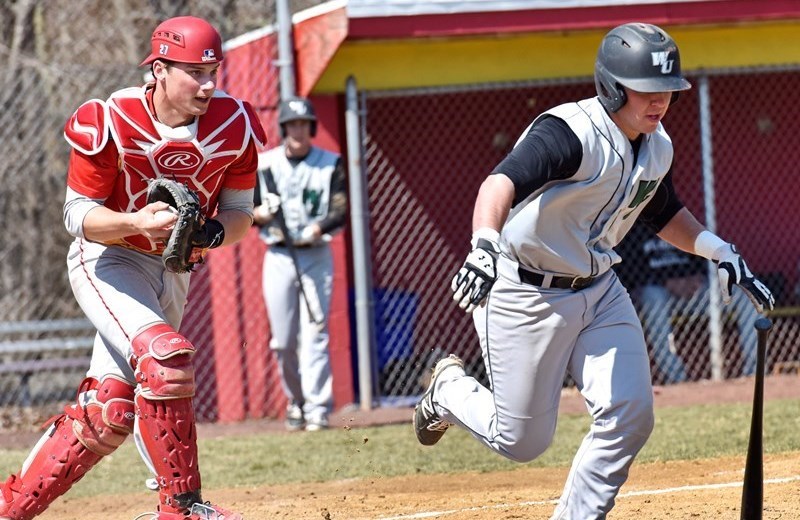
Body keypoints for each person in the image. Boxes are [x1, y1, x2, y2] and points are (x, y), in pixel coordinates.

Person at [413, 22, 774, 519]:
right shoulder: (570, 132)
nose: (660, 101)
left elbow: (662, 211)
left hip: (601, 290)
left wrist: (719, 250)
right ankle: (448, 388)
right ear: (612, 85)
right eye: (646, 89)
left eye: (668, 89)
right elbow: (498, 184)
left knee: (631, 414)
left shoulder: (656, 144)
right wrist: (483, 244)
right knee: (521, 441)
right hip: (527, 291)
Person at [0, 16, 266, 520]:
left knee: (108, 412)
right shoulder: (112, 118)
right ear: (159, 69)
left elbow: (240, 216)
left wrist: (210, 232)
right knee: (165, 361)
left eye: (214, 73)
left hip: (174, 270)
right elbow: (77, 216)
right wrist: (134, 220)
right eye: (194, 73)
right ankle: (182, 508)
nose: (209, 85)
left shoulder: (235, 124)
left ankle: (8, 509)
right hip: (109, 258)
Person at [253, 97, 347, 431]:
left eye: (303, 124)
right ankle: (297, 402)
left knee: (316, 331)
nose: (298, 131)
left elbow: (340, 207)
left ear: (311, 128)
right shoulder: (266, 165)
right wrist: (260, 214)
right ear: (284, 129)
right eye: (292, 124)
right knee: (283, 341)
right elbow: (245, 208)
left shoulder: (329, 162)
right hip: (278, 254)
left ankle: (318, 408)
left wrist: (318, 227)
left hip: (315, 253)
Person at [616, 222, 761, 383]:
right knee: (652, 295)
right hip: (660, 296)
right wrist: (667, 282)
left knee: (744, 292)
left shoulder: (681, 223)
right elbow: (630, 273)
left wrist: (695, 278)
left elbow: (705, 259)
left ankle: (754, 370)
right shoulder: (633, 231)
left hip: (693, 293)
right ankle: (677, 378)